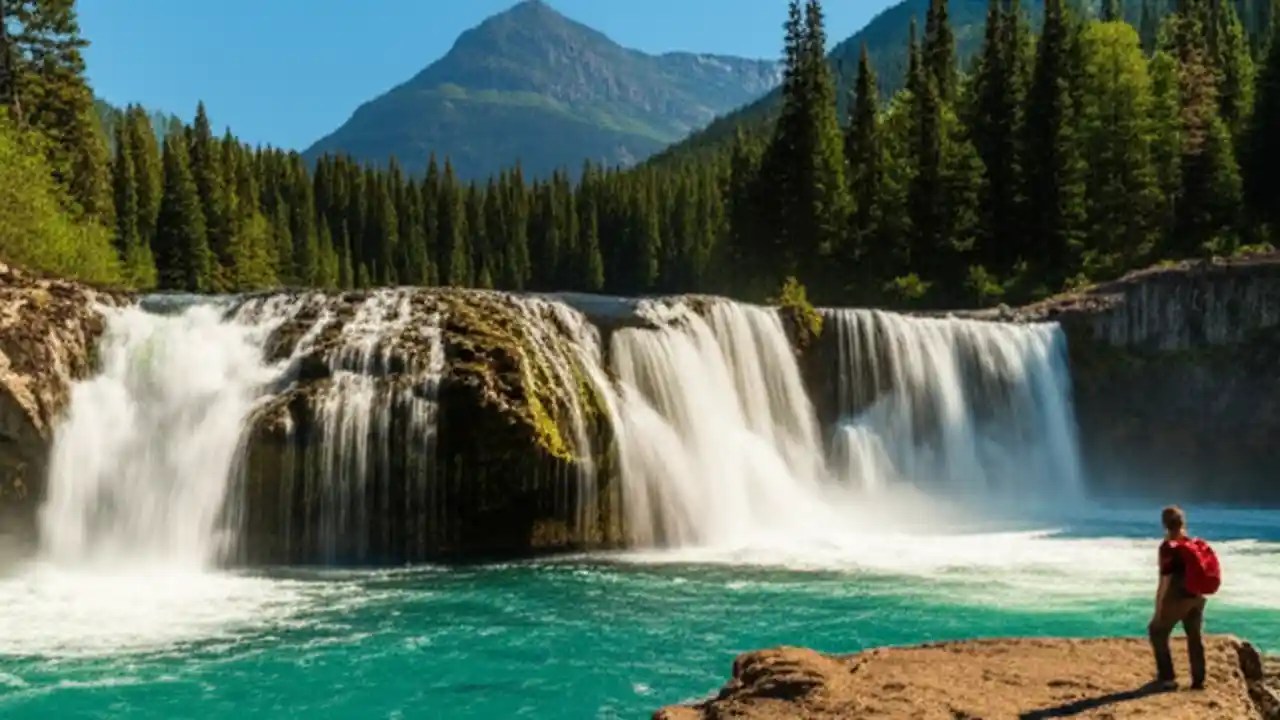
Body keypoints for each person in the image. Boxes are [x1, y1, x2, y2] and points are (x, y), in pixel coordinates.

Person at [1147, 505, 1207, 691]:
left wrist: (1158, 609)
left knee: (1156, 631)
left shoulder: (1167, 547)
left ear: (1164, 524)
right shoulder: (1193, 543)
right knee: (1194, 636)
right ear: (1183, 522)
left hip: (1176, 598)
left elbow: (1165, 581)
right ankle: (1199, 680)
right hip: (1197, 597)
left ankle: (1167, 678)